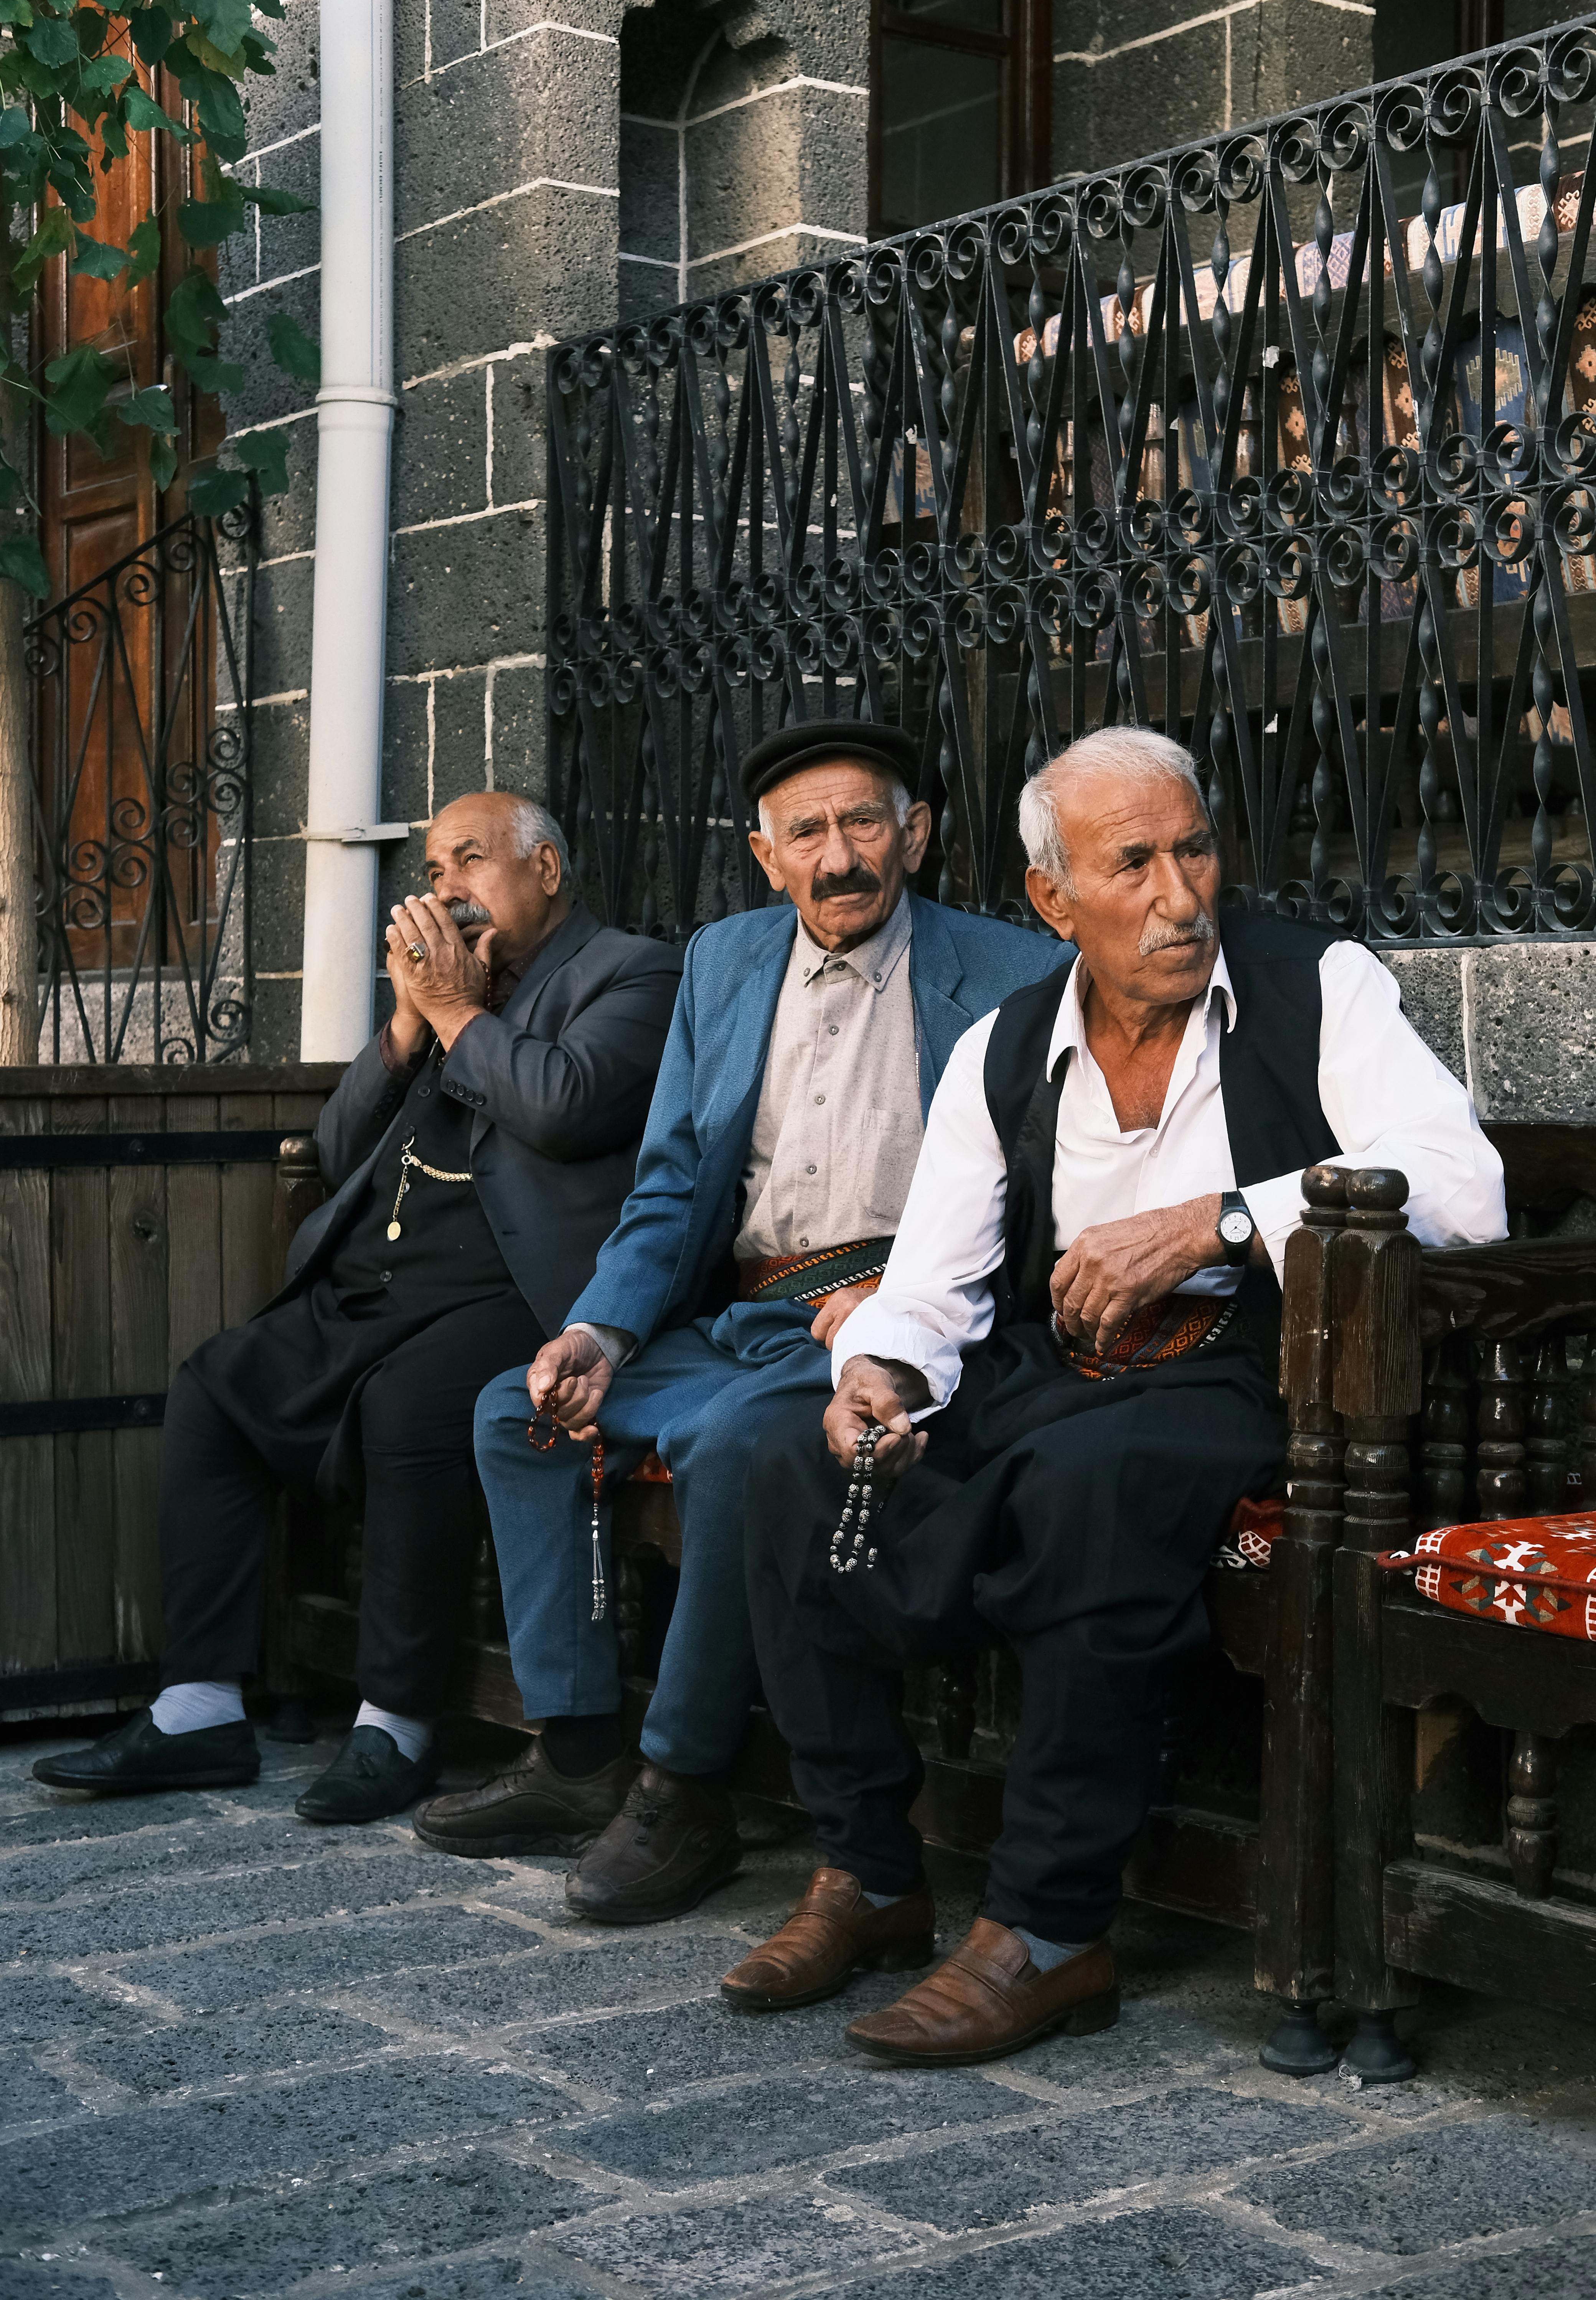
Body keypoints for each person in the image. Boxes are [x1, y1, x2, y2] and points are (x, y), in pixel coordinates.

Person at [725, 725, 1508, 2064]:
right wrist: (880, 1378)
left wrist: (1220, 1221)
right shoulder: (1004, 1046)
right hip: (1060, 1373)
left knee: (1094, 1487)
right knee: (793, 1463)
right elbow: (937, 1282)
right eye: (1132, 864)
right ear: (1054, 898)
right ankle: (869, 1874)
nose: (1179, 896)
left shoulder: (1319, 985)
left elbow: (1464, 1189)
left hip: (1246, 1372)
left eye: (1194, 851)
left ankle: (1048, 1930)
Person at [414, 719, 1061, 1919]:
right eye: (806, 832)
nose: (839, 856)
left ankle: (684, 1788)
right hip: (748, 1319)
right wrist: (600, 1333)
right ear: (767, 857)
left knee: (732, 1447)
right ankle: (579, 1753)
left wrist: (907, 1299)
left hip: (888, 1327)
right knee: (521, 1410)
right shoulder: (723, 960)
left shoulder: (1013, 971)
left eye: (863, 823)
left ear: (916, 835)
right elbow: (670, 1182)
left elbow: (1045, 1195)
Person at [33, 794, 681, 1823]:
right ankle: (200, 1708)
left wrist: (456, 1011)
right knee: (218, 1382)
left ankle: (396, 1723)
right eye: (433, 871)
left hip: (518, 1295)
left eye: (470, 859)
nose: (446, 888)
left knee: (408, 1405)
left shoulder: (632, 972)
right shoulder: (440, 996)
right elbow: (337, 1150)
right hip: (376, 1278)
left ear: (548, 871)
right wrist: (409, 1023)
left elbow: (566, 1108)